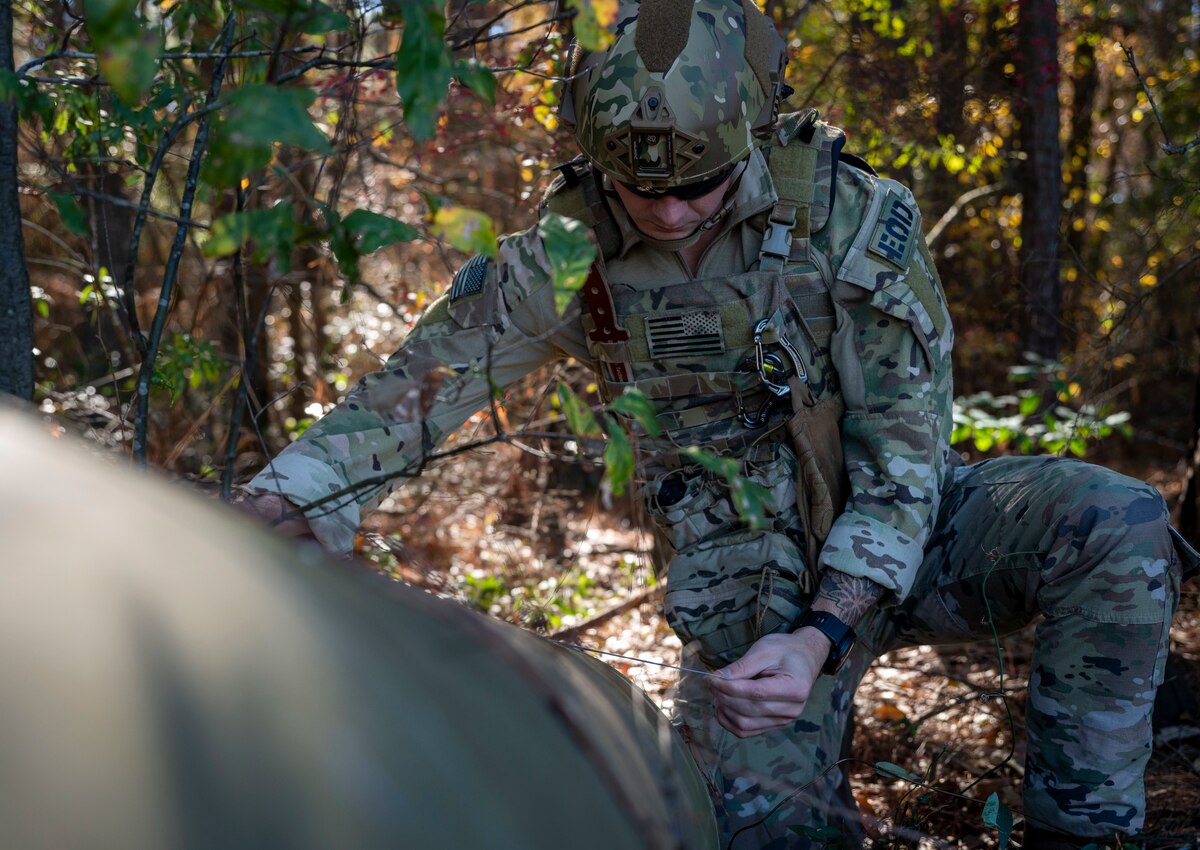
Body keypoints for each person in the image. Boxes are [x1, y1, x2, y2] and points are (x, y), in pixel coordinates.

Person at [240, 1, 1200, 846]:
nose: (669, 210)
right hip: (748, 593)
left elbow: (907, 462)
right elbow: (413, 393)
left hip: (908, 535)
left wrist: (828, 630)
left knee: (1113, 522)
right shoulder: (565, 257)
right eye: (640, 187)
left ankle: (1085, 832)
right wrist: (284, 502)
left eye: (698, 184)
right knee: (759, 831)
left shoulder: (851, 223)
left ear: (753, 131)